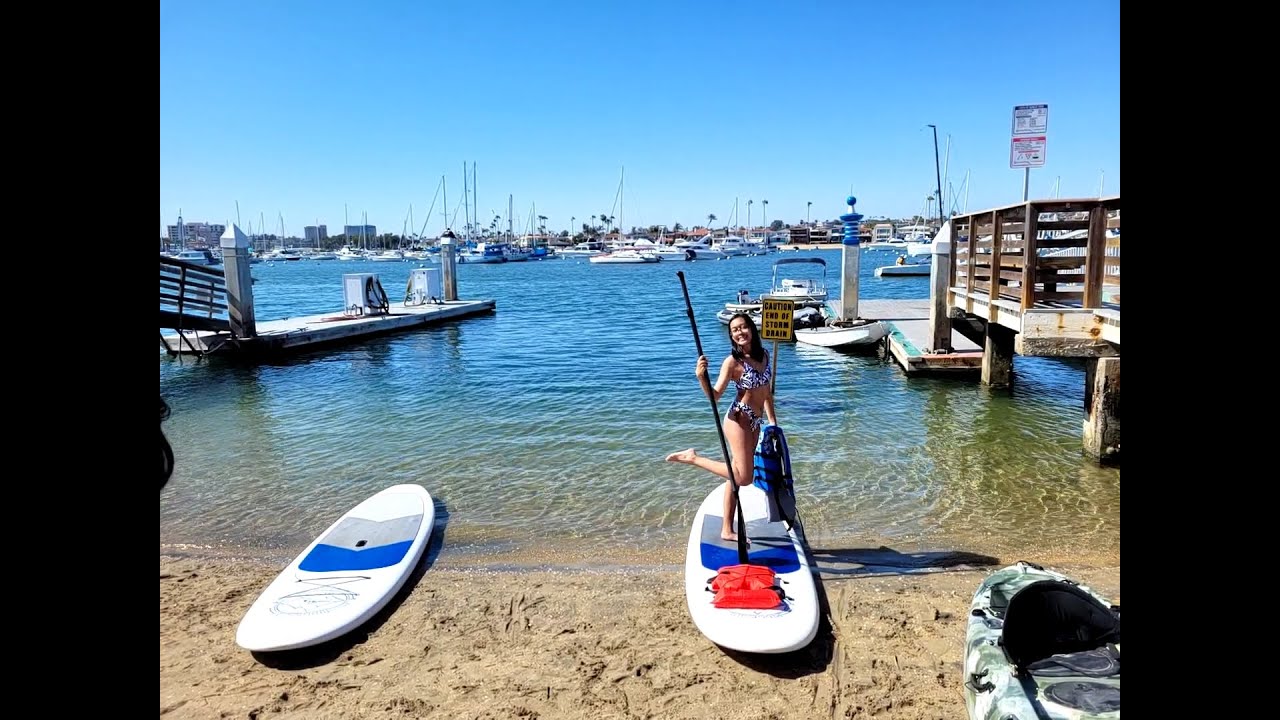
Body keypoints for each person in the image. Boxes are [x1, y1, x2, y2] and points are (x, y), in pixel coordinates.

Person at [666, 312, 776, 543]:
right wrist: (701, 378)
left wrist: (773, 422)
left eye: (743, 327)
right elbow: (715, 396)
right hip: (738, 421)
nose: (739, 332)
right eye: (734, 330)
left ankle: (726, 529)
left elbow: (766, 393)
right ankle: (693, 458)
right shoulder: (733, 362)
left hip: (755, 422)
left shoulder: (765, 355)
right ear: (731, 335)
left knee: (735, 477)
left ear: (751, 329)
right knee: (745, 478)